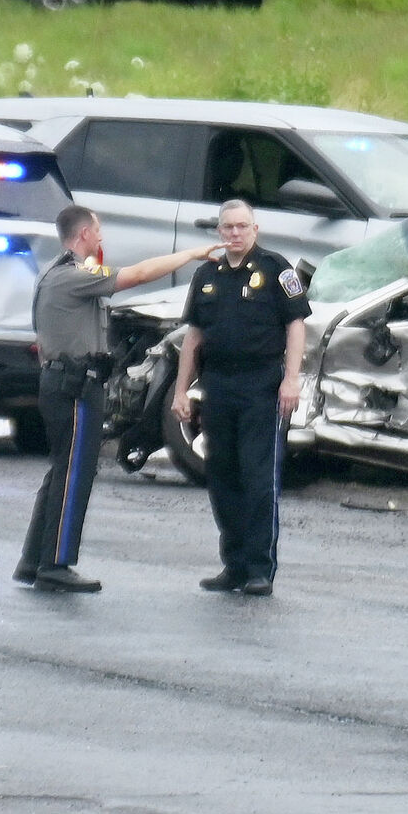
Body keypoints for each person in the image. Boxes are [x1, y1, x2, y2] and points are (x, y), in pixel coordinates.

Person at [17, 206, 218, 592]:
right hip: (74, 386)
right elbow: (138, 275)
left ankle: (34, 559)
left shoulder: (64, 273)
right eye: (98, 231)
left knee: (63, 469)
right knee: (74, 472)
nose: (101, 238)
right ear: (82, 235)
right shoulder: (74, 275)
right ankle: (54, 563)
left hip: (67, 383)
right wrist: (192, 255)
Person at [172, 199, 311, 597]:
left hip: (261, 386)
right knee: (222, 475)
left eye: (241, 226)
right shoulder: (207, 275)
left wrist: (291, 379)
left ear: (255, 229)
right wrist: (181, 390)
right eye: (227, 227)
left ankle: (258, 568)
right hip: (218, 385)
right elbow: (194, 337)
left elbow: (296, 326)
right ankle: (233, 564)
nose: (234, 234)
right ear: (219, 232)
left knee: (257, 477)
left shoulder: (275, 269)